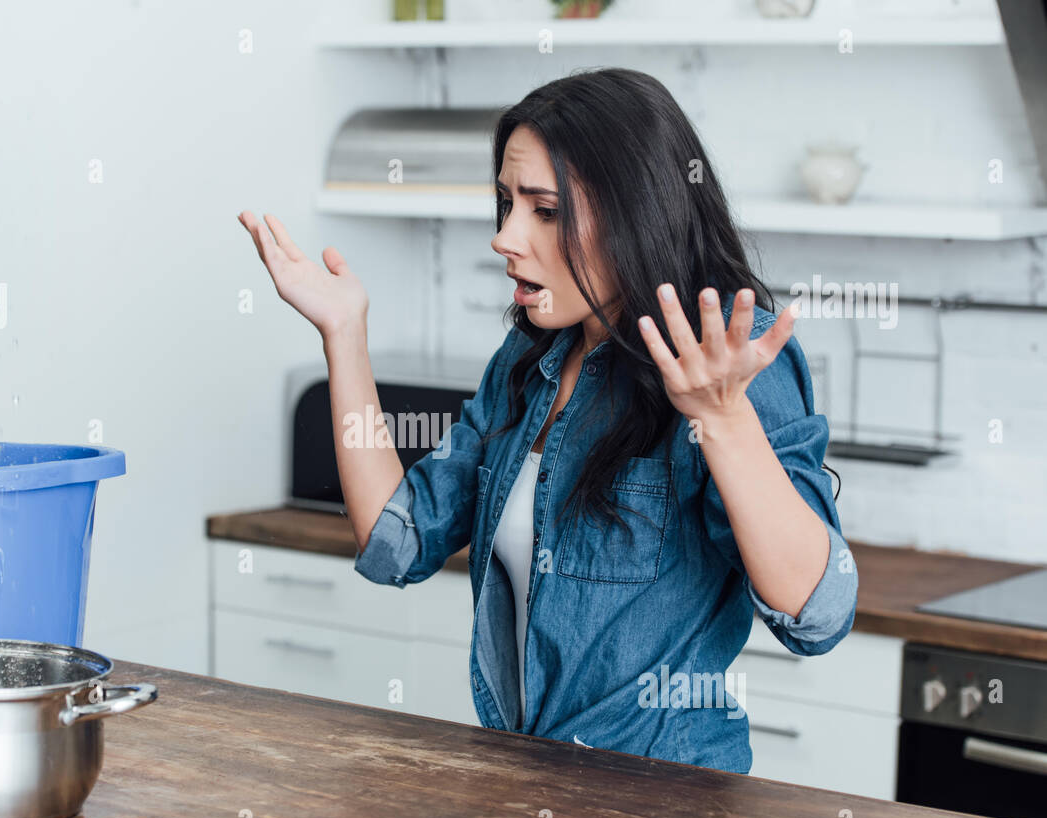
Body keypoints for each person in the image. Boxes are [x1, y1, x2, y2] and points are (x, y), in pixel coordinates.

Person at [237, 67, 857, 773]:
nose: (505, 236)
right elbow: (395, 542)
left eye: (545, 210)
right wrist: (344, 334)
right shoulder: (526, 363)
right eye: (505, 203)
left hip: (668, 811)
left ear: (635, 210)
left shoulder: (729, 360)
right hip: (525, 787)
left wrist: (722, 418)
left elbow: (820, 612)